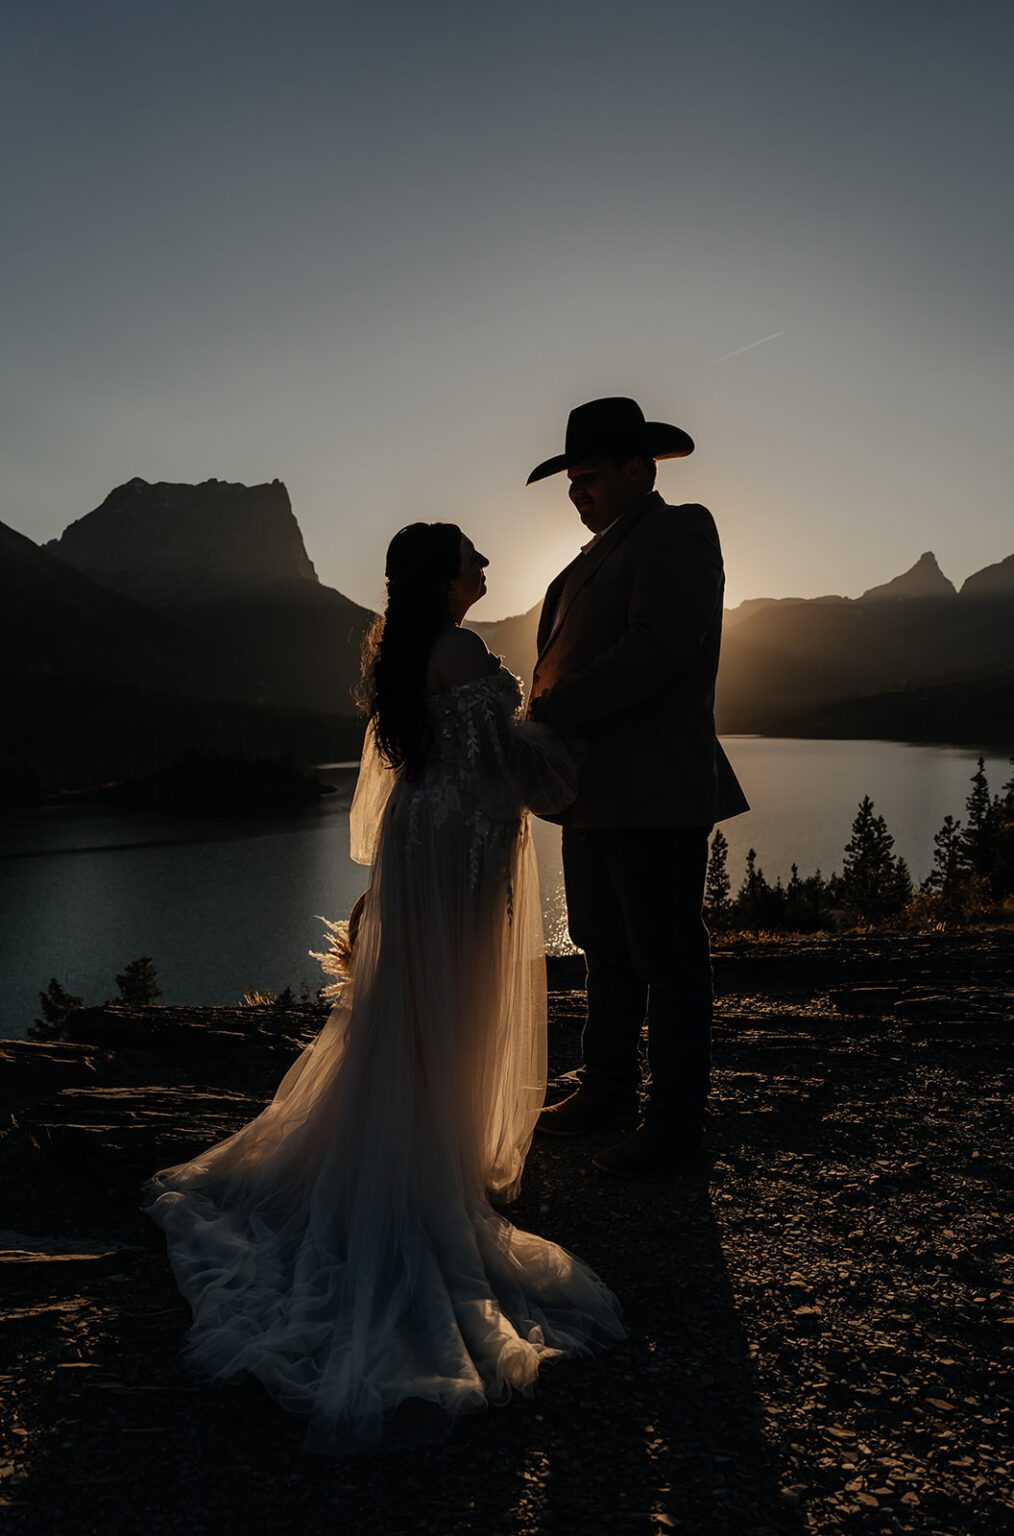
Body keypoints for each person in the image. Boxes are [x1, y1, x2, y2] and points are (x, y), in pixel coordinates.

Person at [140, 521, 626, 1457]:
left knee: (415, 1006)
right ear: (445, 577)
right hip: (460, 846)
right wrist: (573, 751)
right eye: (473, 560)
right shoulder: (463, 647)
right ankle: (427, 1163)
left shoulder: (403, 647)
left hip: (423, 838)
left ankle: (416, 1137)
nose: (485, 568)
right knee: (452, 998)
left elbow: (430, 760)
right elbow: (503, 762)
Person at [526, 397, 749, 1178]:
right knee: (602, 945)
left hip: (654, 785)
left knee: (668, 955)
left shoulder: (680, 529)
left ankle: (675, 1126)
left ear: (638, 468)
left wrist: (552, 710)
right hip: (589, 793)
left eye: (587, 476)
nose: (574, 490)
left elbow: (660, 646)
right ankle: (608, 1092)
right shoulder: (576, 566)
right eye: (570, 479)